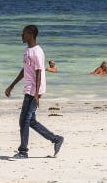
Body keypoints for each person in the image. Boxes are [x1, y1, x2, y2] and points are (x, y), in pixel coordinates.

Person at [4, 24, 64, 159]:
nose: (21, 35)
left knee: (23, 120)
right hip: (30, 88)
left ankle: (23, 151)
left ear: (30, 34)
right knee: (30, 121)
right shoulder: (27, 50)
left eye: (24, 33)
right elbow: (25, 70)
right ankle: (56, 139)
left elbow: (38, 72)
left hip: (34, 90)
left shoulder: (37, 52)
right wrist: (11, 85)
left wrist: (36, 94)